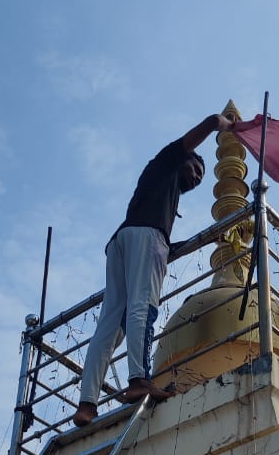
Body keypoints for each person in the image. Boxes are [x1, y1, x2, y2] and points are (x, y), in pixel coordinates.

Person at [73, 112, 233, 428]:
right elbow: (207, 125)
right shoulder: (167, 161)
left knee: (110, 327)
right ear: (183, 160)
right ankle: (139, 380)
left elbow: (165, 249)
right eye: (195, 168)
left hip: (121, 241)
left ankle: (86, 404)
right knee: (142, 307)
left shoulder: (161, 192)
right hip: (145, 238)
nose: (197, 177)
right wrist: (220, 124)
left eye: (201, 176)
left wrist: (207, 239)